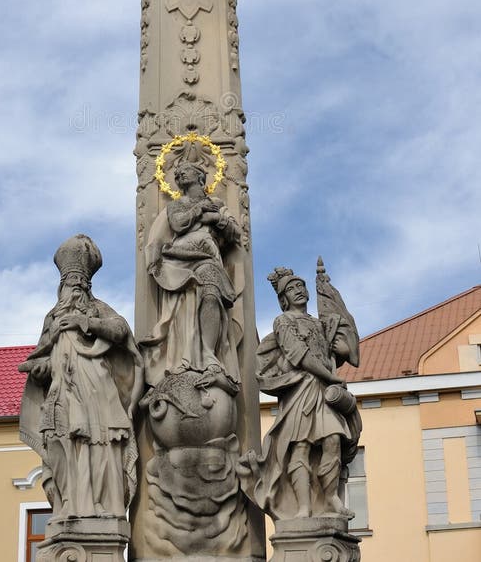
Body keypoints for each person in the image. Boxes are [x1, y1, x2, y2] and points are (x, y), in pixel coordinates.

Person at [18, 234, 143, 520]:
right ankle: (69, 508)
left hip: (98, 394)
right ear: (60, 286)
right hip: (62, 394)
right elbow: (46, 359)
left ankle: (102, 508)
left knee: (101, 451)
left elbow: (121, 331)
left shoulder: (96, 309)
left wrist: (84, 321)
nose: (73, 290)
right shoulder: (52, 318)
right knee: (61, 451)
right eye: (68, 284)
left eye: (78, 284)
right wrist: (40, 370)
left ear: (86, 286)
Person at [238, 265, 361, 521]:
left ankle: (330, 498)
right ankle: (303, 507)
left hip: (324, 392)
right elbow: (299, 355)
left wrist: (340, 347)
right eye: (291, 288)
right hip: (301, 391)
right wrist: (329, 376)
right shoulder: (283, 321)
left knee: (333, 440)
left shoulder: (320, 324)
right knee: (300, 448)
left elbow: (335, 354)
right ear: (283, 299)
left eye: (301, 286)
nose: (299, 291)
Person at [140, 161, 242, 386]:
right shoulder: (178, 204)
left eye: (185, 170)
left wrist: (216, 219)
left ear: (200, 177)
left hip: (208, 258)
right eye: (176, 173)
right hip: (180, 258)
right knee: (184, 312)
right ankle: (187, 355)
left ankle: (208, 353)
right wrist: (200, 211)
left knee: (211, 295)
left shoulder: (217, 204)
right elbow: (178, 224)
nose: (178, 173)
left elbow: (236, 233)